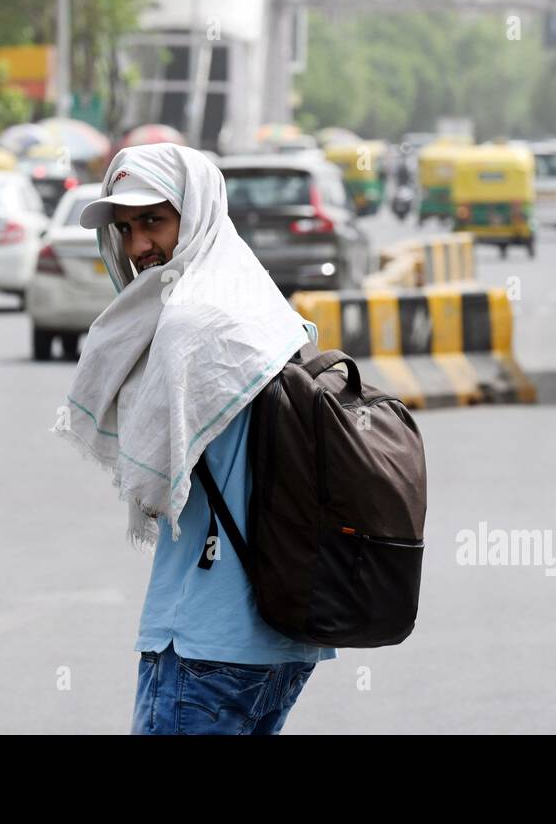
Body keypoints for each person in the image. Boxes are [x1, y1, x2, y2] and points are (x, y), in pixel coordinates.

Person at [57, 143, 335, 735]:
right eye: (126, 229)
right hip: (277, 635)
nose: (137, 248)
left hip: (206, 637)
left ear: (197, 211)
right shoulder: (256, 302)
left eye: (153, 220)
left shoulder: (190, 321)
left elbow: (155, 481)